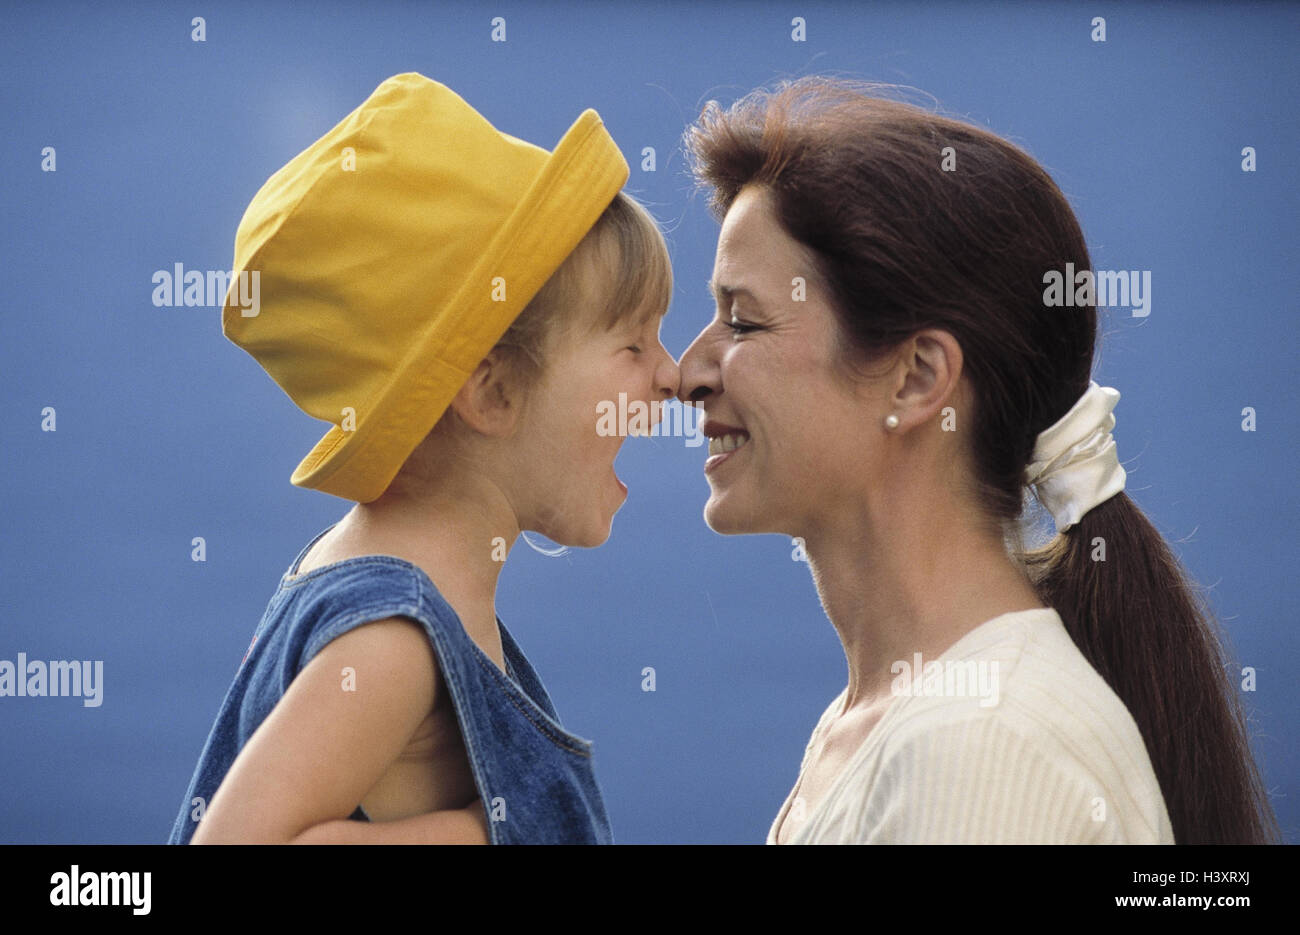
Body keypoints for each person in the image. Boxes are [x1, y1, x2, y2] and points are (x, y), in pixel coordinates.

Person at [676, 76, 1279, 844]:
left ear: (919, 376)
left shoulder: (980, 740)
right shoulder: (899, 720)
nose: (687, 372)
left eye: (743, 319)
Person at [167, 73, 679, 844]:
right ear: (494, 390)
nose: (672, 375)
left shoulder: (398, 595)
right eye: (634, 343)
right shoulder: (393, 641)